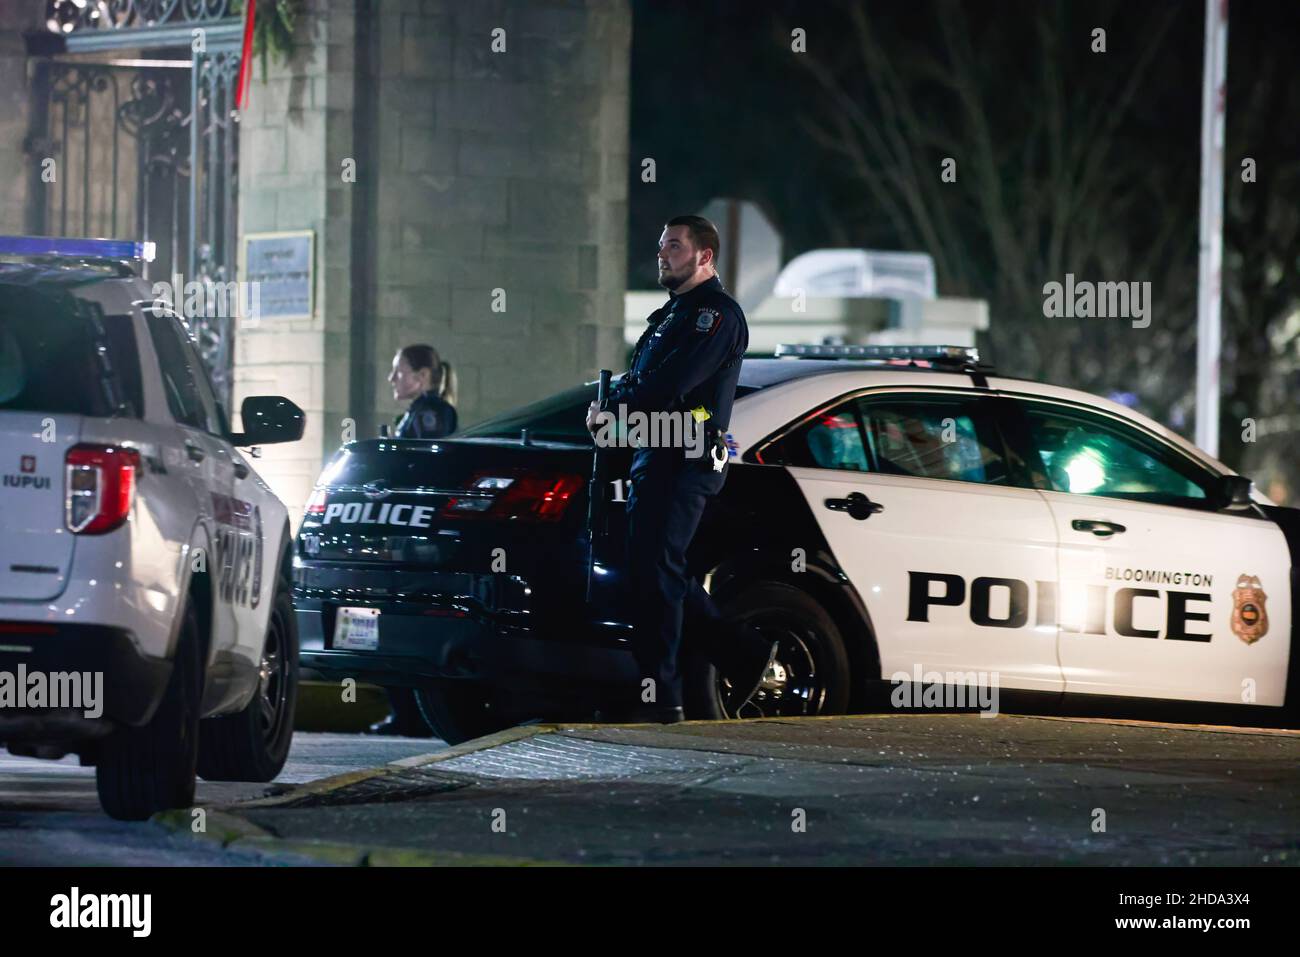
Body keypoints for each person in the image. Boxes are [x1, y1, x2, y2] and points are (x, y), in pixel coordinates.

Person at [587, 215, 777, 723]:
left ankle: (663, 695)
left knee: (657, 570)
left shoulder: (712, 316)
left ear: (704, 256)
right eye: (660, 245)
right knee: (654, 569)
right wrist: (615, 410)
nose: (662, 254)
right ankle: (740, 655)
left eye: (674, 245)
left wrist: (617, 405)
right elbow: (644, 383)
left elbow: (668, 385)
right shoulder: (670, 317)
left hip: (687, 456)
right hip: (656, 453)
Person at [367, 343, 458, 736]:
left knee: (403, 618)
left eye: (399, 371)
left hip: (416, 537)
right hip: (408, 533)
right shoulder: (420, 414)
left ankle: (411, 714)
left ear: (421, 377)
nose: (392, 379)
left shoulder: (432, 415)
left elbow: (422, 467)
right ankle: (405, 712)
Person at [390, 344, 457, 439]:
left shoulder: (431, 411)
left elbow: (426, 451)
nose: (391, 378)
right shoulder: (419, 410)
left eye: (398, 372)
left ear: (422, 375)